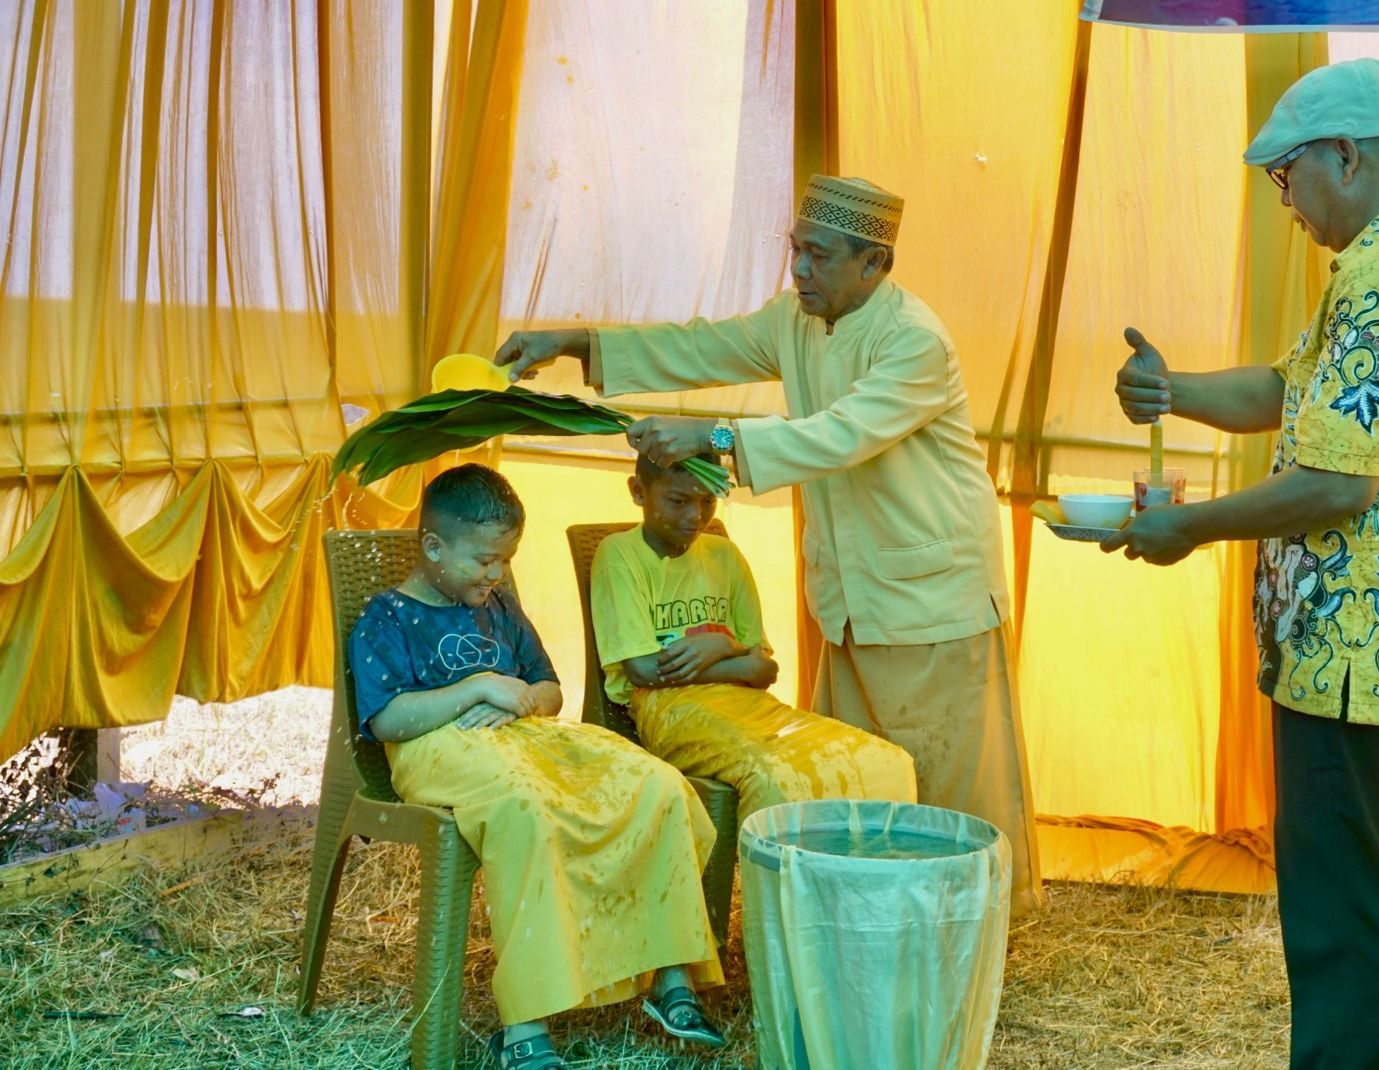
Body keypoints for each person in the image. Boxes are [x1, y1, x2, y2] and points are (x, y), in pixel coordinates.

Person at [496, 174, 1043, 914]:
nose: (800, 270)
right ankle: (871, 922)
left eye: (818, 256)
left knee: (947, 780)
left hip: (930, 596)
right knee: (856, 770)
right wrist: (571, 341)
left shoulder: (914, 341)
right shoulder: (796, 320)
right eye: (796, 252)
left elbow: (840, 436)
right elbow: (699, 348)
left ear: (874, 263)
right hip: (852, 597)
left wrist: (714, 435)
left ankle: (969, 930)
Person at [1107, 59, 1379, 1068]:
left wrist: (1186, 529)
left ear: (1344, 155)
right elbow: (1294, 390)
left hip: (1350, 659)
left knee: (1340, 934)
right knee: (1367, 918)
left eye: (1287, 174)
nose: (1282, 198)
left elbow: (1336, 482)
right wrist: (1173, 389)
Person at [348, 464, 726, 1070]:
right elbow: (389, 721)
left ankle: (670, 976)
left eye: (506, 560)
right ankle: (524, 1025)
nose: (498, 574)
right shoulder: (386, 618)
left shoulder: (500, 607)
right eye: (485, 561)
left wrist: (521, 698)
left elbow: (548, 689)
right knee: (527, 809)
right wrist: (479, 688)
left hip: (526, 740)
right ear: (433, 546)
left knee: (653, 782)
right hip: (437, 753)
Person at [590, 451, 918, 827]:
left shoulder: (724, 555)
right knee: (775, 777)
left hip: (751, 705)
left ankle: (856, 879)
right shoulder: (619, 554)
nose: (695, 515)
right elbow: (644, 669)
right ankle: (772, 882)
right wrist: (736, 657)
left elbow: (763, 671)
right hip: (668, 709)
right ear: (637, 491)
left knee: (886, 761)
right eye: (677, 501)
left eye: (708, 500)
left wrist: (720, 646)